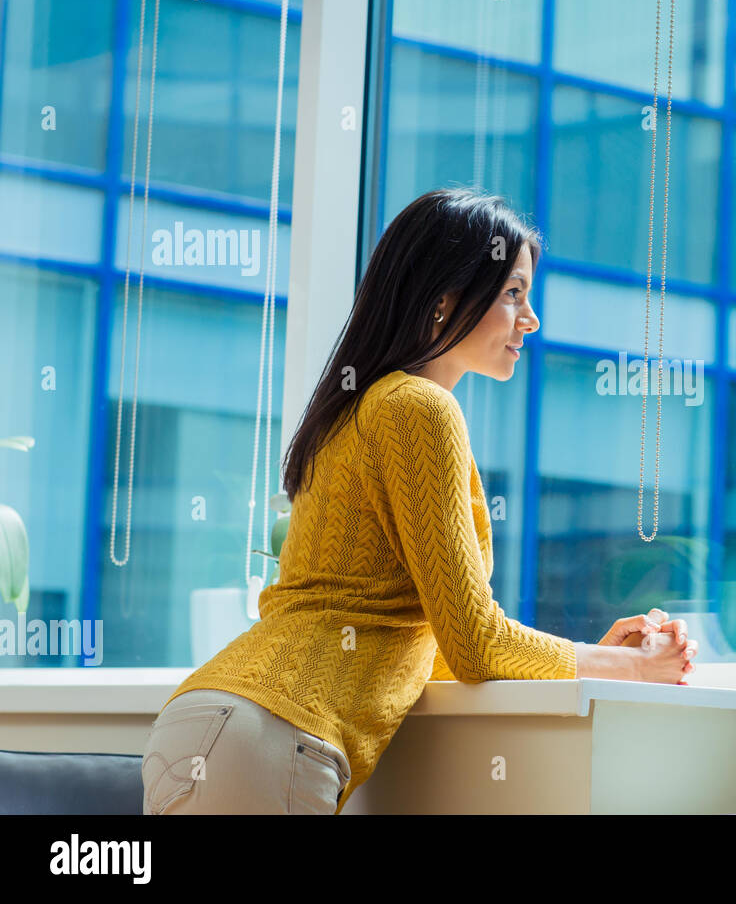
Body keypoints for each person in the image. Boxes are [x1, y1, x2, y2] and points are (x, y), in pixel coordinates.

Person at [141, 188, 697, 815]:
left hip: (218, 721)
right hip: (265, 734)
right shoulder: (420, 408)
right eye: (513, 292)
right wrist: (636, 669)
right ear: (444, 300)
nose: (530, 318)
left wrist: (591, 658)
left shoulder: (358, 410)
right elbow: (472, 642)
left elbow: (417, 641)